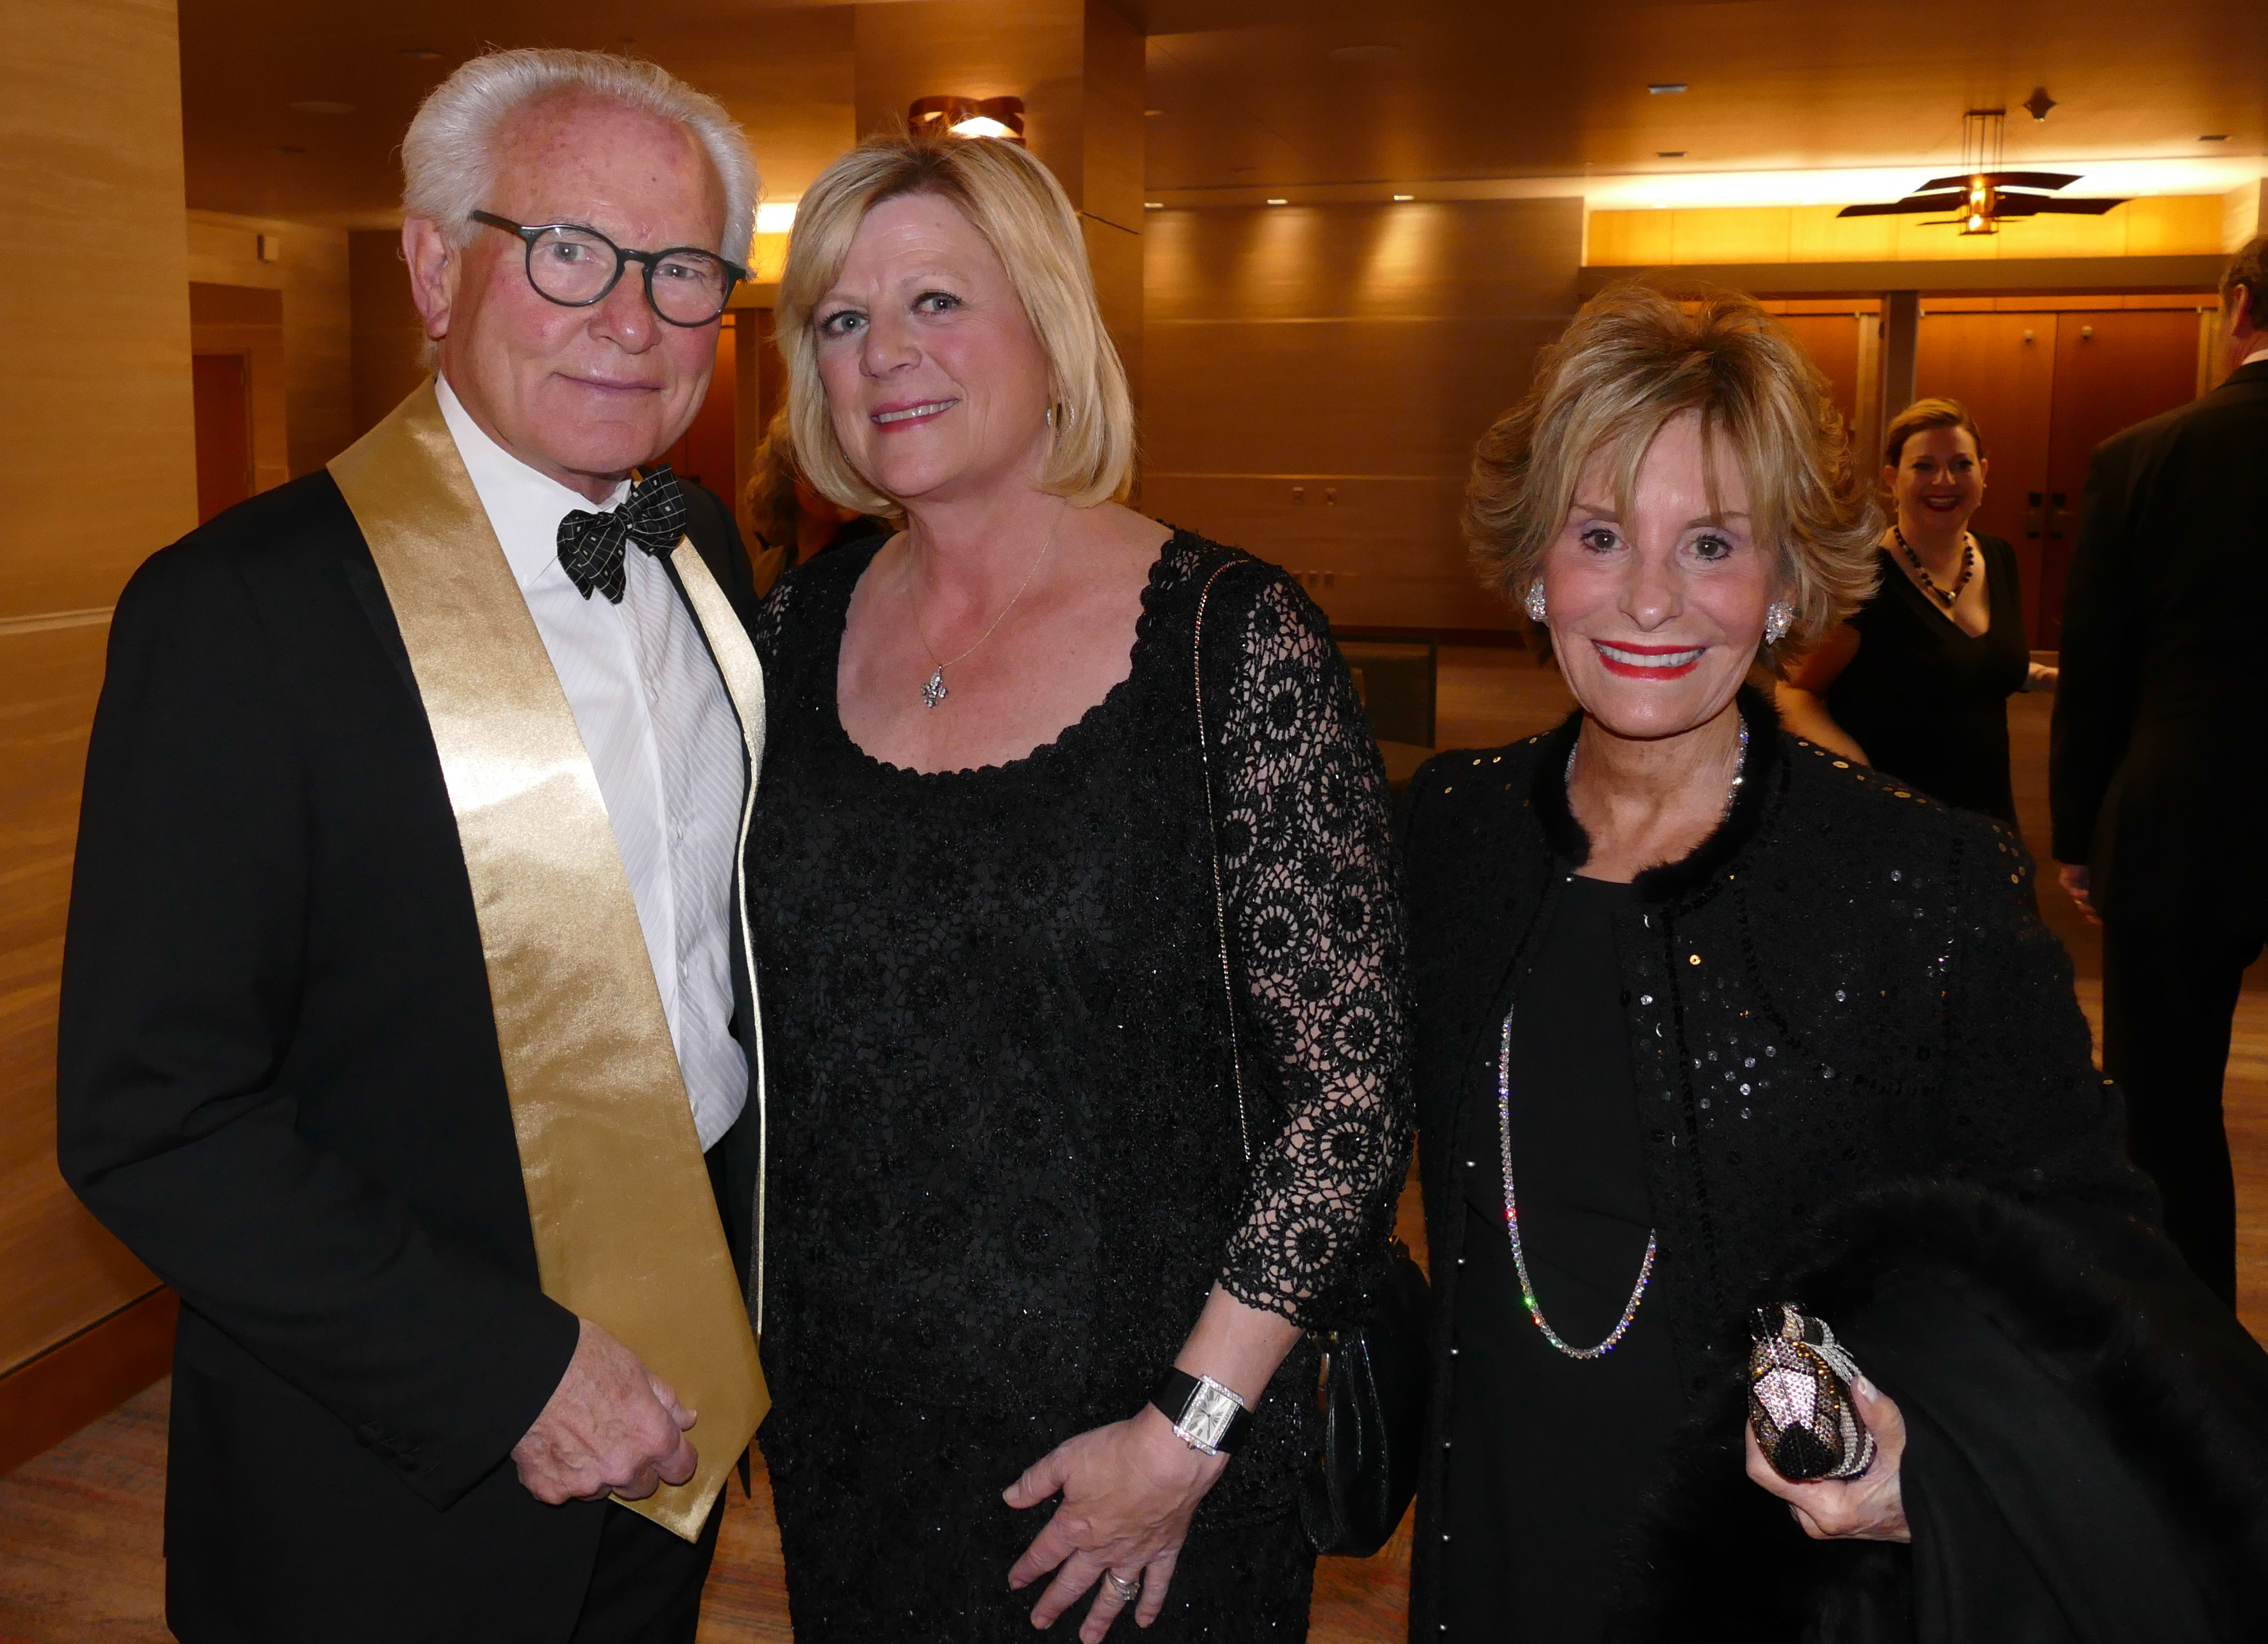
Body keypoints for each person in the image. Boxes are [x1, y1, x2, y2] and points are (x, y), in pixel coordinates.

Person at [1402, 284, 2268, 1641]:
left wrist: (1927, 1454)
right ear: (1530, 566)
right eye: (1595, 534)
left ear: (1787, 581)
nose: (1643, 596)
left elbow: (2088, 1252)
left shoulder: (1913, 883)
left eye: (1707, 542)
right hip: (1492, 1542)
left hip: (1778, 1582)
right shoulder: (1446, 837)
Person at [56, 50, 770, 1642]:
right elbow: (151, 1118)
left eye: (681, 272)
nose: (632, 319)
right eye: (570, 251)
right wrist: (514, 1374)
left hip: (684, 1406)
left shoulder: (703, 550)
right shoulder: (243, 611)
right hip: (391, 1473)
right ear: (436, 264)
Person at [745, 132, 1412, 1642]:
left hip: (1138, 1451)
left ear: (1048, 324)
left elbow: (1351, 1093)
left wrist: (1186, 1426)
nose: (883, 355)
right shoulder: (790, 629)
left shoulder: (1226, 643)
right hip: (853, 1423)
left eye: (935, 302)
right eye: (840, 321)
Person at [2050, 235, 2268, 1309]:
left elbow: (2097, 665)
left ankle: (2188, 1348)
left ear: (2238, 308)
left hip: (2179, 812)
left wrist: (2080, 830)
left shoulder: (2145, 455)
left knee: (2164, 1104)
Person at [1774, 397, 2053, 825]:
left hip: (1988, 819)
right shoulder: (1864, 576)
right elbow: (1796, 692)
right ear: (1892, 479)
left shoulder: (1999, 557)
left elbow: (1968, 663)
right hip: (1891, 823)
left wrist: (2040, 676)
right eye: (1924, 466)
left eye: (1962, 464)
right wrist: (1855, 773)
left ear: (1984, 473)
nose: (1945, 480)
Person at [742, 404, 889, 595]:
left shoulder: (880, 565)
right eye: (819, 459)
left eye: (849, 460)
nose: (835, 479)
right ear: (788, 469)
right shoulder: (767, 568)